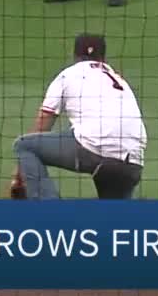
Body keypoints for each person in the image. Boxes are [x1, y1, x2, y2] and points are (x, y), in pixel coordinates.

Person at [9, 33, 147, 200]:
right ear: (103, 57)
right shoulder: (119, 80)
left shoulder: (69, 74)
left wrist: (19, 174)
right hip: (131, 161)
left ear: (75, 55)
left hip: (93, 147)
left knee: (24, 145)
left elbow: (45, 119)